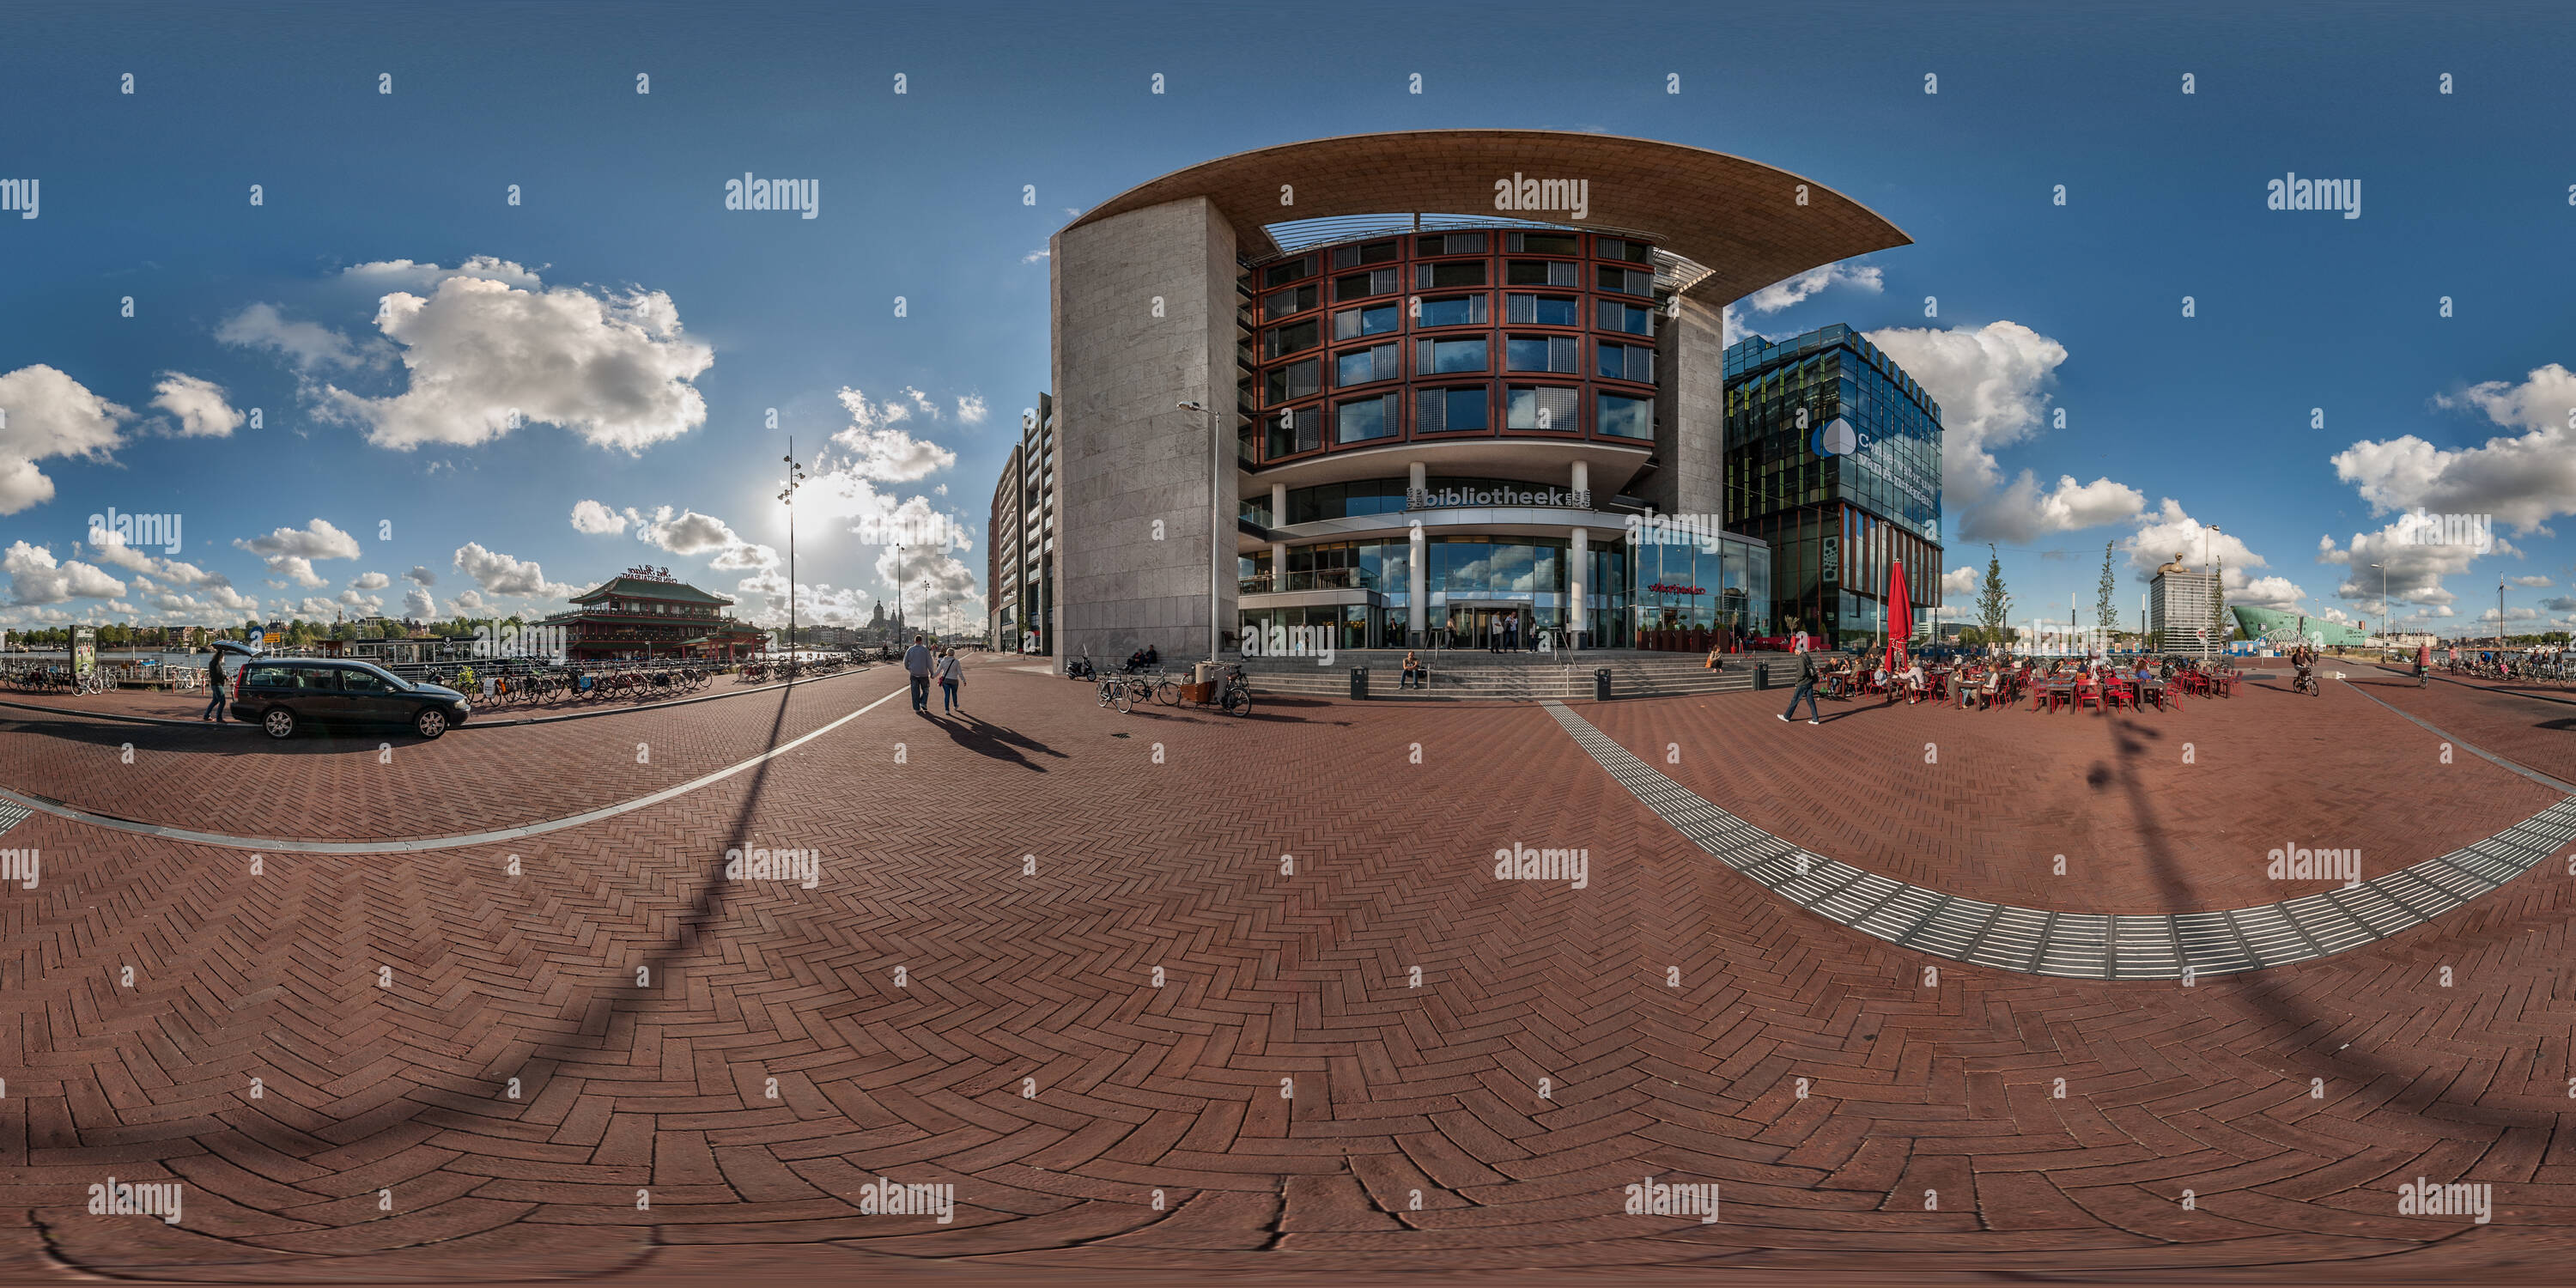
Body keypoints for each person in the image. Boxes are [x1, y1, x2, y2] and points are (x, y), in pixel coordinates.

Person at [1779, 642, 1822, 725]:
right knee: (1810, 701)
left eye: (1795, 649)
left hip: (1803, 682)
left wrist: (1797, 681)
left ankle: (1787, 716)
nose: (1794, 651)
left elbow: (1802, 672)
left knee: (1795, 700)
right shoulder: (1807, 656)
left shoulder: (1800, 658)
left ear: (1798, 650)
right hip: (1809, 681)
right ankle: (1815, 719)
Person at [903, 634, 933, 713]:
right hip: (924, 674)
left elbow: (905, 661)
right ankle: (923, 702)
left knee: (915, 691)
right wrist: (932, 672)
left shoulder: (910, 650)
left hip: (914, 674)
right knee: (926, 689)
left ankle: (917, 708)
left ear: (915, 641)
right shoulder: (925, 650)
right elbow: (929, 662)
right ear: (921, 641)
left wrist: (908, 668)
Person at [204, 647, 229, 723]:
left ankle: (206, 715)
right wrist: (225, 677)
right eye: (223, 657)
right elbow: (219, 674)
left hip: (213, 684)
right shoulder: (216, 664)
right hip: (218, 685)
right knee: (223, 701)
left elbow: (215, 673)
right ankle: (219, 718)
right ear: (221, 656)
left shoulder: (212, 662)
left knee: (215, 701)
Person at [937, 647, 963, 713]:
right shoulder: (956, 662)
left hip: (945, 680)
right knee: (954, 693)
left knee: (947, 695)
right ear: (954, 654)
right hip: (954, 680)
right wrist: (964, 680)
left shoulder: (943, 661)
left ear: (947, 653)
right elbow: (960, 672)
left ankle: (947, 710)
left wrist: (933, 676)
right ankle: (955, 705)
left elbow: (938, 671)